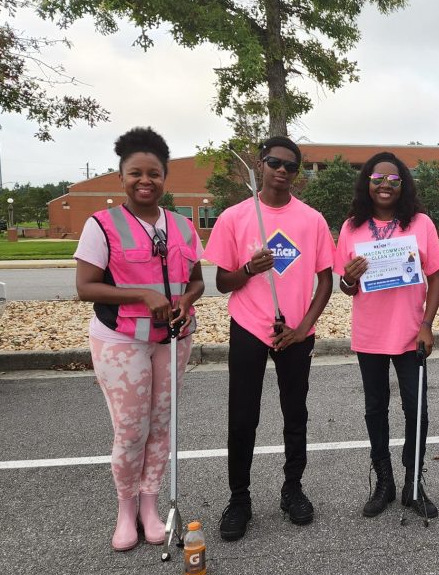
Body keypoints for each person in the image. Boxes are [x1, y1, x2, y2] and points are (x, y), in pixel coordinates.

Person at [75, 127, 205, 551]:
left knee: (162, 426)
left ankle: (151, 506)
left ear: (165, 178)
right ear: (121, 177)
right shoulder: (102, 225)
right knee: (131, 430)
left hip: (172, 339)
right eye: (136, 173)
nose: (145, 180)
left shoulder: (184, 227)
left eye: (154, 173)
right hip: (121, 339)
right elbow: (86, 287)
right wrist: (142, 295)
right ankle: (125, 509)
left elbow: (198, 281)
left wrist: (186, 299)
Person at [204, 136, 334, 541]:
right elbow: (223, 281)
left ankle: (293, 488)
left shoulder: (311, 220)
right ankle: (239, 498)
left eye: (291, 166)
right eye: (275, 162)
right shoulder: (235, 217)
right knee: (243, 416)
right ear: (261, 165)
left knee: (295, 415)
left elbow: (325, 281)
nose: (282, 170)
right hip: (248, 328)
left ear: (297, 174)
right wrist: (248, 269)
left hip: (294, 332)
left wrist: (303, 327)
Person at [335, 152, 439, 519]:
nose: (385, 185)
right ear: (367, 182)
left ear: (403, 185)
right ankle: (384, 482)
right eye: (378, 179)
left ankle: (413, 482)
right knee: (375, 408)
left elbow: (435, 276)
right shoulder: (352, 227)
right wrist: (349, 278)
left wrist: (427, 323)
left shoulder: (421, 223)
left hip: (411, 333)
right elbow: (347, 286)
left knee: (417, 410)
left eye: (393, 180)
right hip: (370, 334)